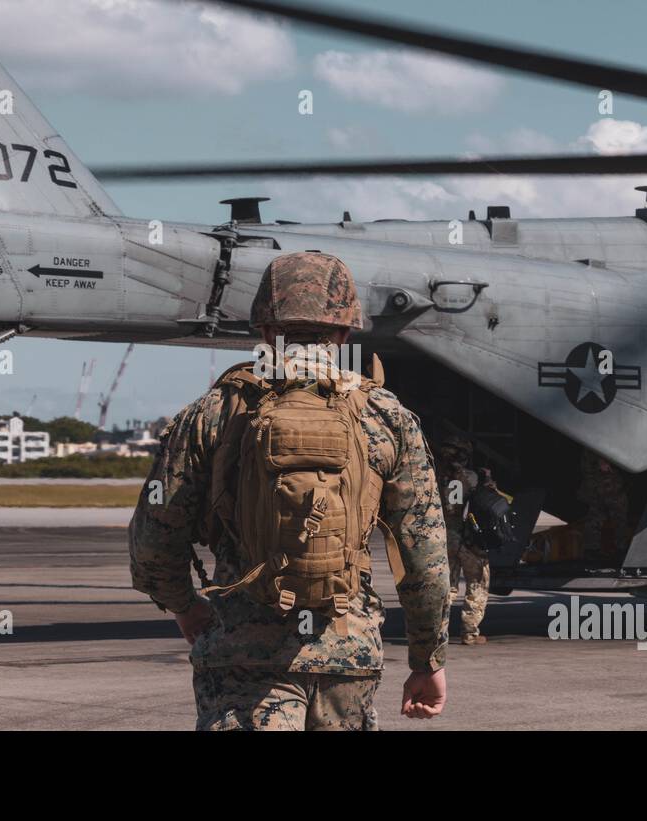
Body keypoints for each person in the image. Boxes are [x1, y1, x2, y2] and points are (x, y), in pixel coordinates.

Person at [129, 251, 450, 731]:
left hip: (243, 657)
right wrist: (428, 660)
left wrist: (185, 606)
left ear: (263, 330)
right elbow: (425, 557)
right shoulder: (386, 415)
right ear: (344, 333)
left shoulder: (214, 412)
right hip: (347, 654)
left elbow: (154, 540)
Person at [436, 436, 490, 645]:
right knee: (477, 583)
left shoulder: (435, 477)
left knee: (446, 587)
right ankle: (470, 632)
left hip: (443, 536)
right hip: (468, 538)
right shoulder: (472, 478)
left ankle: (439, 633)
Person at [576, 450, 629, 562]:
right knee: (616, 515)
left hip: (600, 485)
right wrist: (601, 460)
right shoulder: (595, 451)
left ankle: (592, 550)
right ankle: (619, 549)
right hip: (605, 485)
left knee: (597, 517)